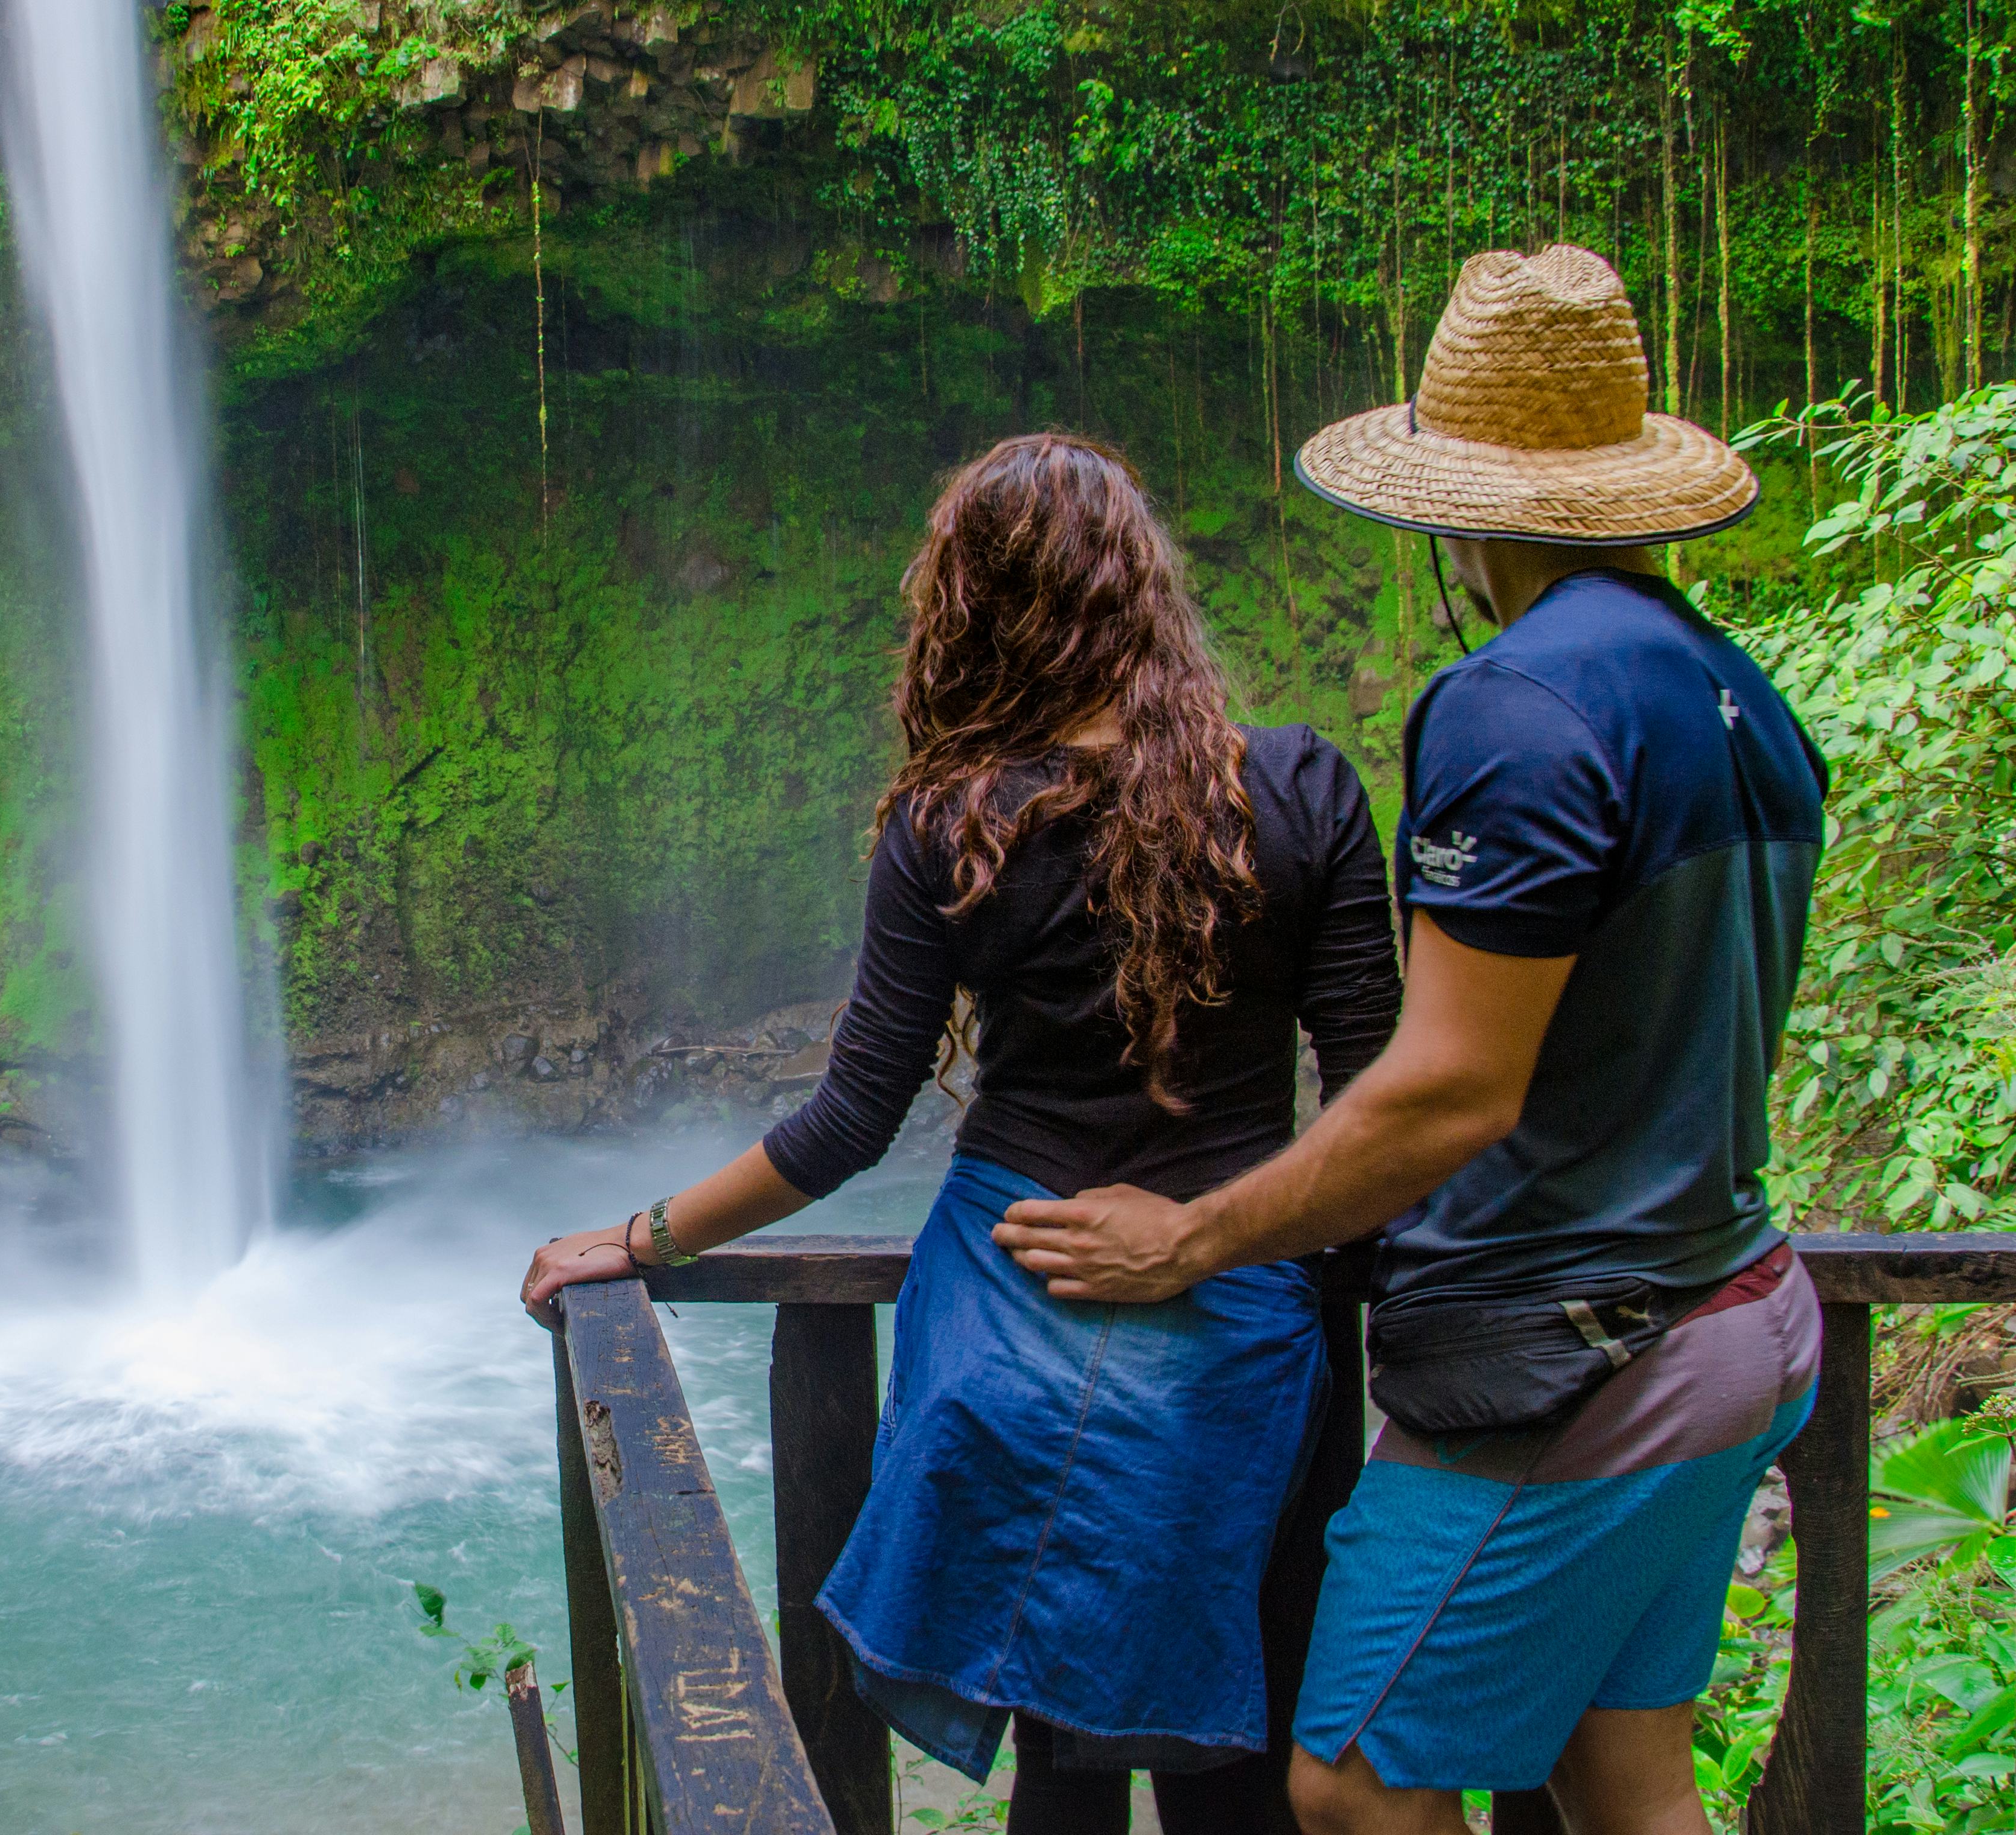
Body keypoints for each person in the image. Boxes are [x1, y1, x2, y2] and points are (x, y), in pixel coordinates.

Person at [990, 247, 1828, 1835]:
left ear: (1454, 499)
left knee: (1355, 1787)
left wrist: (1192, 1236)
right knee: (1627, 1788)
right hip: (1737, 1311)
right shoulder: (1739, 697)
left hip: (1575, 1353)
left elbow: (1446, 1083)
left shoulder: (1514, 708)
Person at [520, 432, 1402, 1834]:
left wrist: (637, 1238)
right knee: (1242, 1716)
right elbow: (1381, 1102)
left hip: (1009, 1309)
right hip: (1239, 1312)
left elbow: (849, 1122)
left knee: (1061, 1746)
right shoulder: (1299, 793)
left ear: (972, 608)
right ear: (1142, 593)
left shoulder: (954, 823)